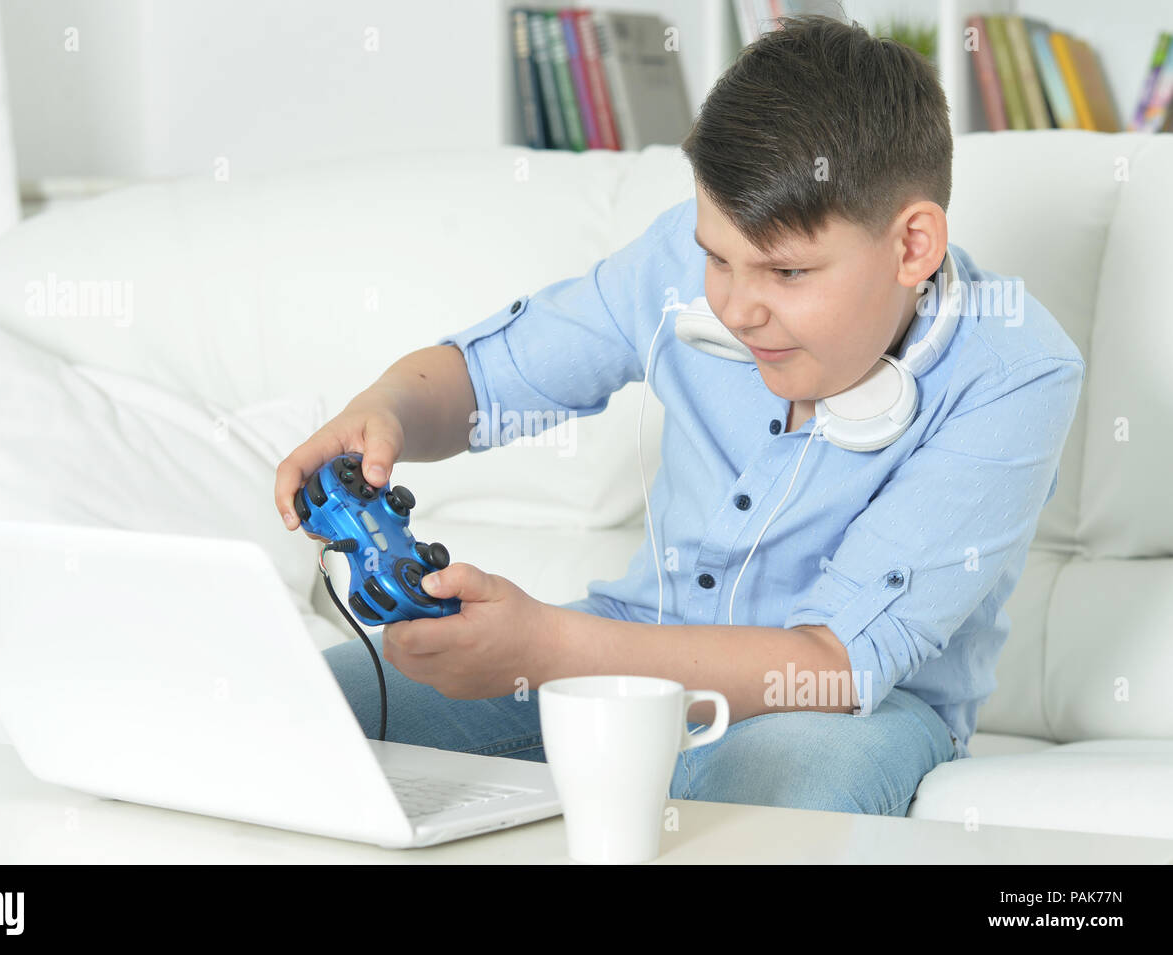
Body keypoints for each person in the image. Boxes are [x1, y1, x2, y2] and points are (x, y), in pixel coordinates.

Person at [272, 15, 1084, 816]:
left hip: (838, 709)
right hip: (626, 642)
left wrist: (545, 649)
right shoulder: (686, 257)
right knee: (298, 706)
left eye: (787, 272)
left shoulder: (1015, 375)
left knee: (787, 787)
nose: (734, 306)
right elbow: (491, 378)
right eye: (717, 257)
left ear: (913, 247)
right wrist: (389, 408)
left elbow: (833, 664)